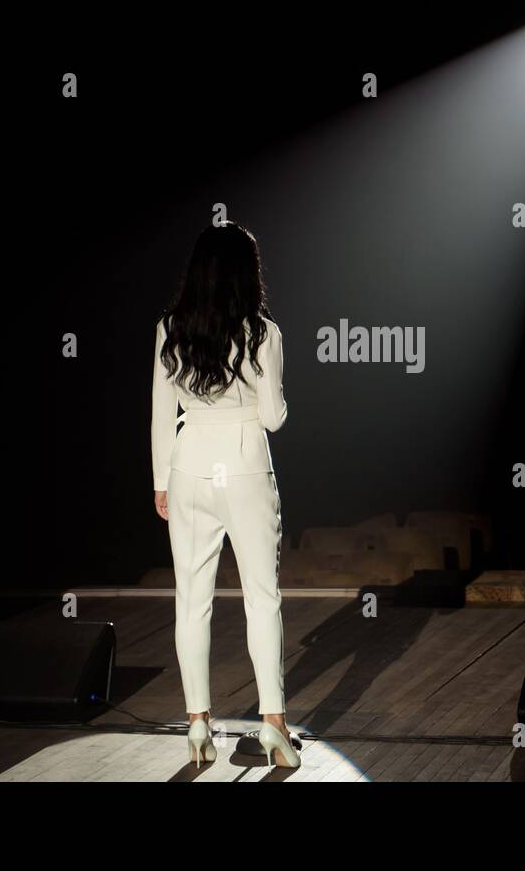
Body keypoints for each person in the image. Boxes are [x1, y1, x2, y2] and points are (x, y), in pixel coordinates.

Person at [151, 220, 300, 770]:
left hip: (188, 466)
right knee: (262, 597)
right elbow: (274, 419)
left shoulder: (170, 328)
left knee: (193, 600)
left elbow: (161, 415)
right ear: (246, 274)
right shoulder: (263, 332)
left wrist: (161, 483)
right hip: (243, 465)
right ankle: (274, 725)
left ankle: (197, 725)